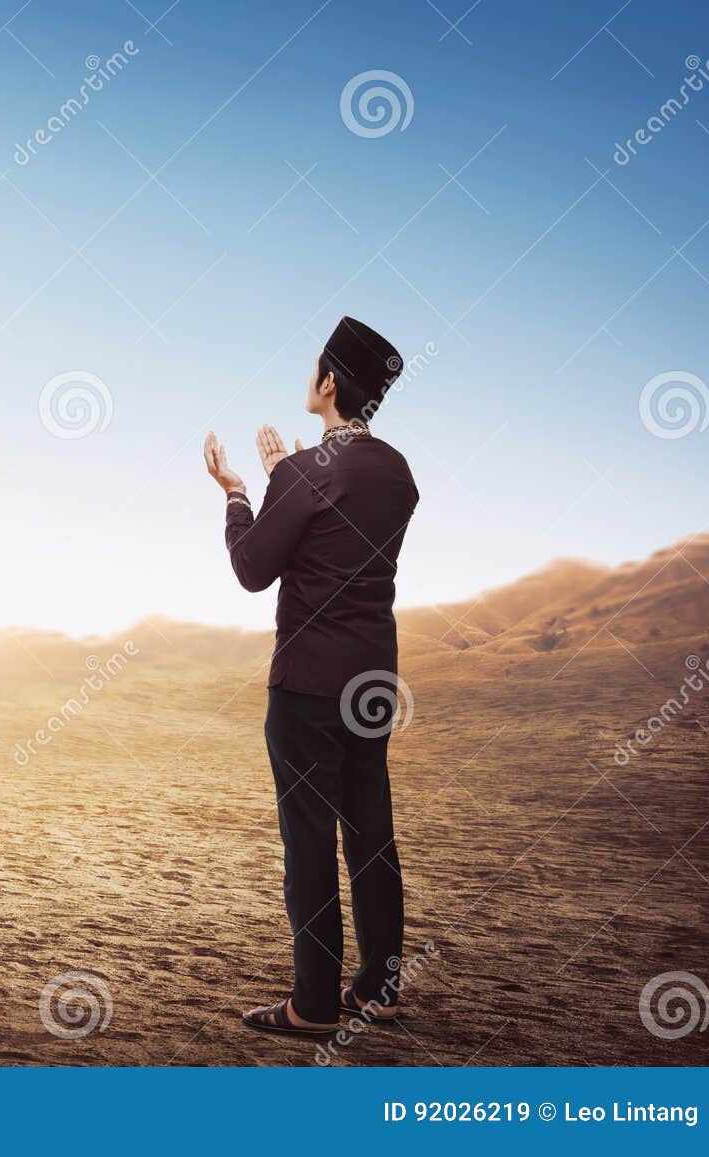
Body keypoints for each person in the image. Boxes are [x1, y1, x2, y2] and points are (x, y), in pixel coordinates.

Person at [201, 316, 420, 1037]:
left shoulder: (301, 474)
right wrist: (290, 480)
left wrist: (240, 492)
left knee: (309, 840)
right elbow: (341, 529)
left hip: (307, 685)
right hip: (373, 681)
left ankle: (314, 1003)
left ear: (328, 383)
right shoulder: (397, 472)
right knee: (371, 833)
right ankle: (380, 988)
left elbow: (251, 568)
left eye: (314, 369)